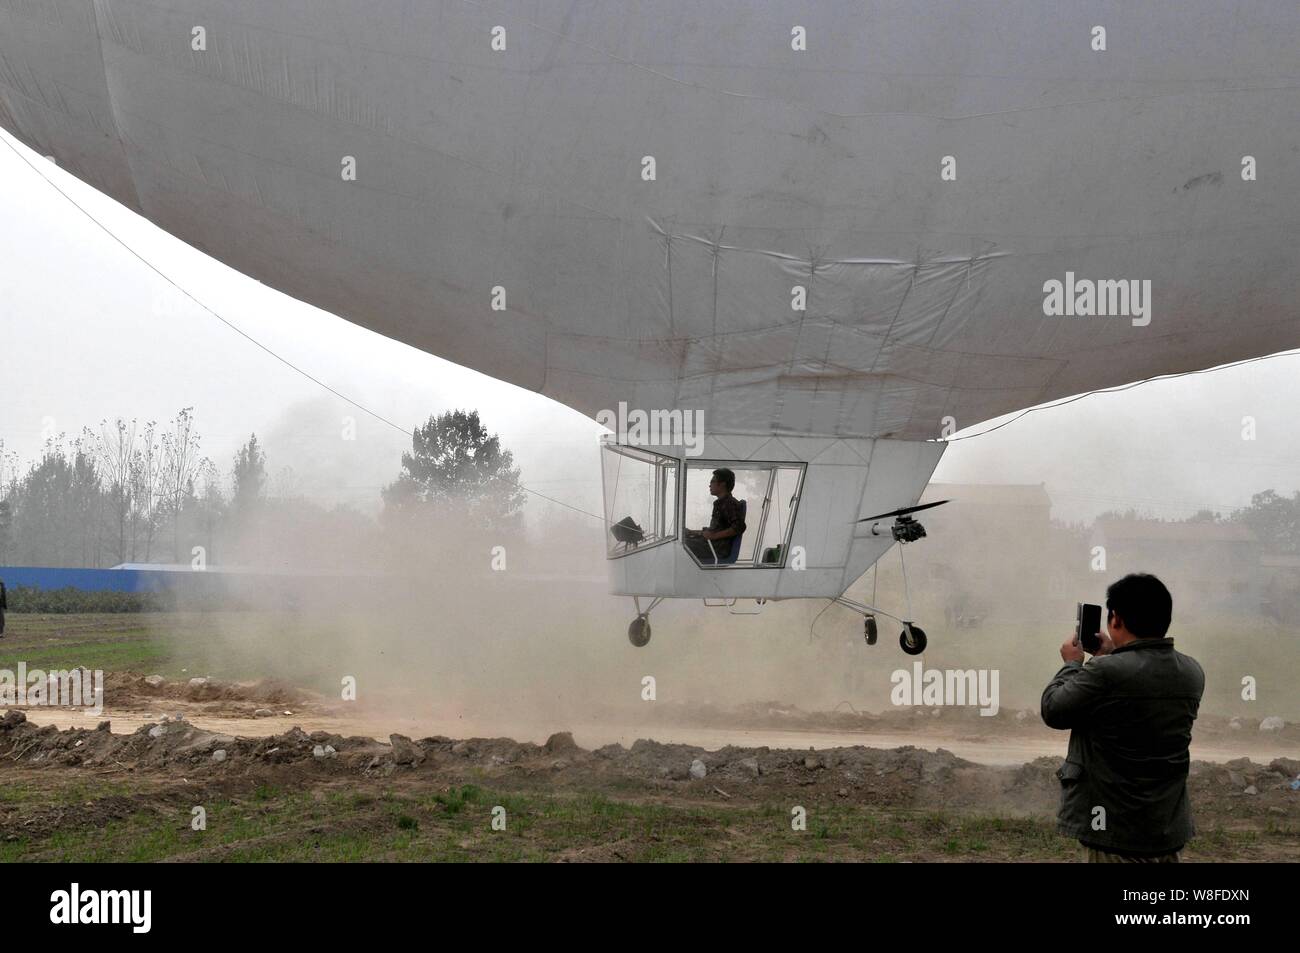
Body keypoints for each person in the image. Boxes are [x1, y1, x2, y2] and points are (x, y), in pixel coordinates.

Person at [1041, 573, 1204, 863]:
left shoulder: (1105, 673)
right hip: (1164, 831)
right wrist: (1113, 654)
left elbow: (1054, 709)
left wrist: (1072, 664)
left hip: (1114, 834)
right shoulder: (1191, 672)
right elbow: (1141, 678)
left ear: (1115, 619)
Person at [684, 468, 746, 564]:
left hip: (716, 550)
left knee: (677, 544)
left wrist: (714, 536)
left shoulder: (729, 503)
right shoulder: (721, 503)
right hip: (711, 545)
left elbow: (739, 526)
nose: (710, 485)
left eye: (712, 481)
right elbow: (714, 530)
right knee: (678, 539)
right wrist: (692, 532)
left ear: (722, 484)